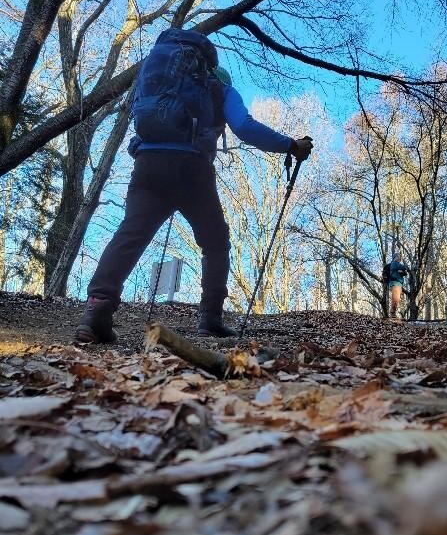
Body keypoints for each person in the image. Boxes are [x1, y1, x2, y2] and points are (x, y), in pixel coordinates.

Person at [74, 28, 313, 343]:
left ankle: (96, 313)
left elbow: (138, 128)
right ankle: (210, 318)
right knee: (215, 243)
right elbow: (244, 126)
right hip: (192, 171)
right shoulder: (220, 89)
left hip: (148, 167)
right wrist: (290, 145)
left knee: (130, 236)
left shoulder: (157, 83)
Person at [382, 253, 408, 318]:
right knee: (395, 298)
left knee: (397, 298)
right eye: (398, 256)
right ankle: (392, 314)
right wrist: (400, 270)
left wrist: (401, 271)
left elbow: (405, 272)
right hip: (394, 282)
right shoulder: (394, 263)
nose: (400, 258)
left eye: (400, 257)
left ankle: (393, 313)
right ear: (395, 257)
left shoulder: (396, 264)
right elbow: (404, 267)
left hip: (399, 283)